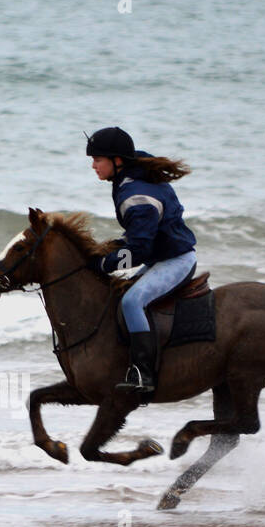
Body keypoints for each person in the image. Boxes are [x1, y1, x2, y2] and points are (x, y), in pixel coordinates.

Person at [85, 127, 198, 393]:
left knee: (132, 300)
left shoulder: (135, 194)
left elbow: (139, 251)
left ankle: (143, 375)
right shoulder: (131, 176)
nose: (93, 166)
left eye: (97, 160)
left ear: (117, 161)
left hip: (176, 261)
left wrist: (104, 264)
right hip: (163, 256)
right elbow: (138, 239)